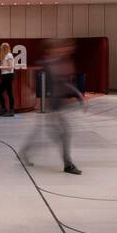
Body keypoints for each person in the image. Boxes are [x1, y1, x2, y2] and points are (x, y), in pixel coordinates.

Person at [19, 40, 83, 174]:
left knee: (43, 134)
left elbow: (65, 83)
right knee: (63, 134)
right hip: (52, 108)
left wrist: (78, 95)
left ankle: (24, 151)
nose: (67, 50)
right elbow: (44, 83)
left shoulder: (62, 62)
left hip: (57, 106)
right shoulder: (49, 64)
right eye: (65, 47)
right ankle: (68, 164)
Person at [0, 42, 16, 116]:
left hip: (8, 76)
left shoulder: (9, 55)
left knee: (9, 93)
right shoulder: (5, 56)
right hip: (5, 76)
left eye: (1, 48)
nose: (0, 50)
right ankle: (4, 109)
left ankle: (11, 111)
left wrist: (0, 67)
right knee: (0, 93)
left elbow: (11, 67)